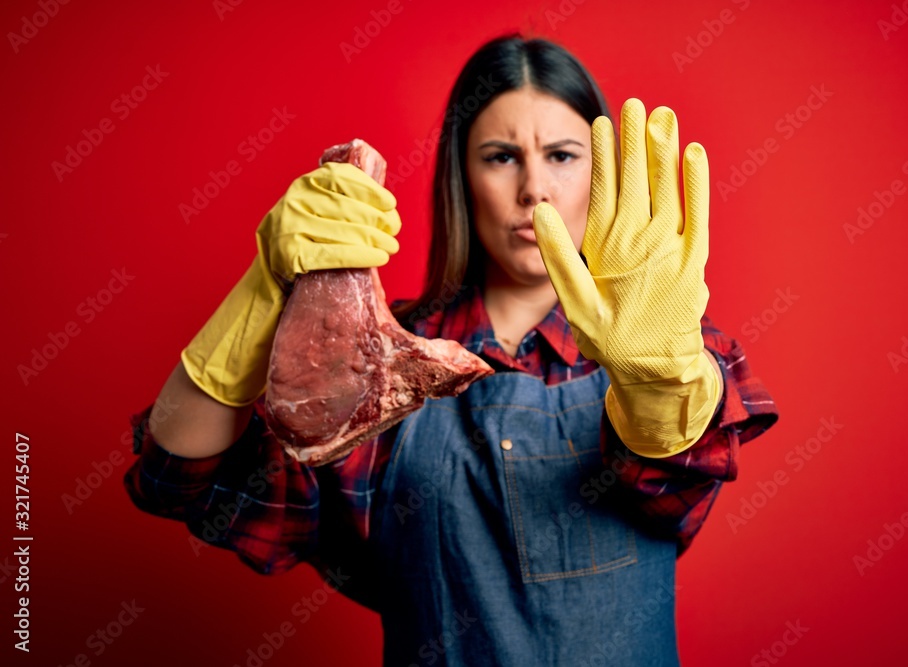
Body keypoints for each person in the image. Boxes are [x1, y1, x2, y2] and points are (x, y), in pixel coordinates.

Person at [124, 33, 778, 666]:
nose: (534, 190)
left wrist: (659, 385)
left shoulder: (675, 346)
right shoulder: (372, 355)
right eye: (500, 156)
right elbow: (182, 484)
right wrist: (267, 289)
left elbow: (676, 485)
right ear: (461, 176)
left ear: (602, 172)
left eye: (562, 154)